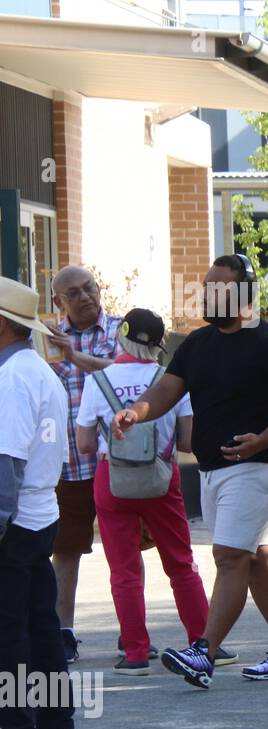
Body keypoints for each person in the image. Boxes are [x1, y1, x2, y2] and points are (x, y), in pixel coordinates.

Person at [112, 255, 268, 689]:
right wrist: (136, 412)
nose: (207, 295)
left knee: (228, 557)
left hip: (259, 466)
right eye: (205, 287)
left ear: (245, 294)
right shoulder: (197, 344)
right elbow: (166, 389)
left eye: (218, 288)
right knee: (259, 561)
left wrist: (261, 439)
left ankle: (202, 652)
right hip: (213, 470)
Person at [74, 310, 211, 675]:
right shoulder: (169, 380)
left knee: (123, 570)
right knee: (181, 563)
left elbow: (86, 444)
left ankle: (135, 652)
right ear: (158, 345)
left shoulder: (98, 380)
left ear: (122, 337)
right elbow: (186, 442)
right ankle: (204, 642)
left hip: (113, 479)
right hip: (162, 479)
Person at [0, 277, 85, 729]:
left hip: (14, 522)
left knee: (9, 633)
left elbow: (6, 462)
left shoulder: (11, 378)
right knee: (41, 628)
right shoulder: (39, 371)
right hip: (41, 516)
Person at [46, 266, 120, 662]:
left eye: (89, 287)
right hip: (69, 466)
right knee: (67, 549)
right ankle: (64, 634)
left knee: (123, 552)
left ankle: (132, 634)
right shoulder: (46, 342)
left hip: (119, 464)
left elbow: (127, 373)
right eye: (73, 293)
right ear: (59, 302)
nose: (85, 296)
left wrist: (75, 357)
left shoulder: (121, 332)